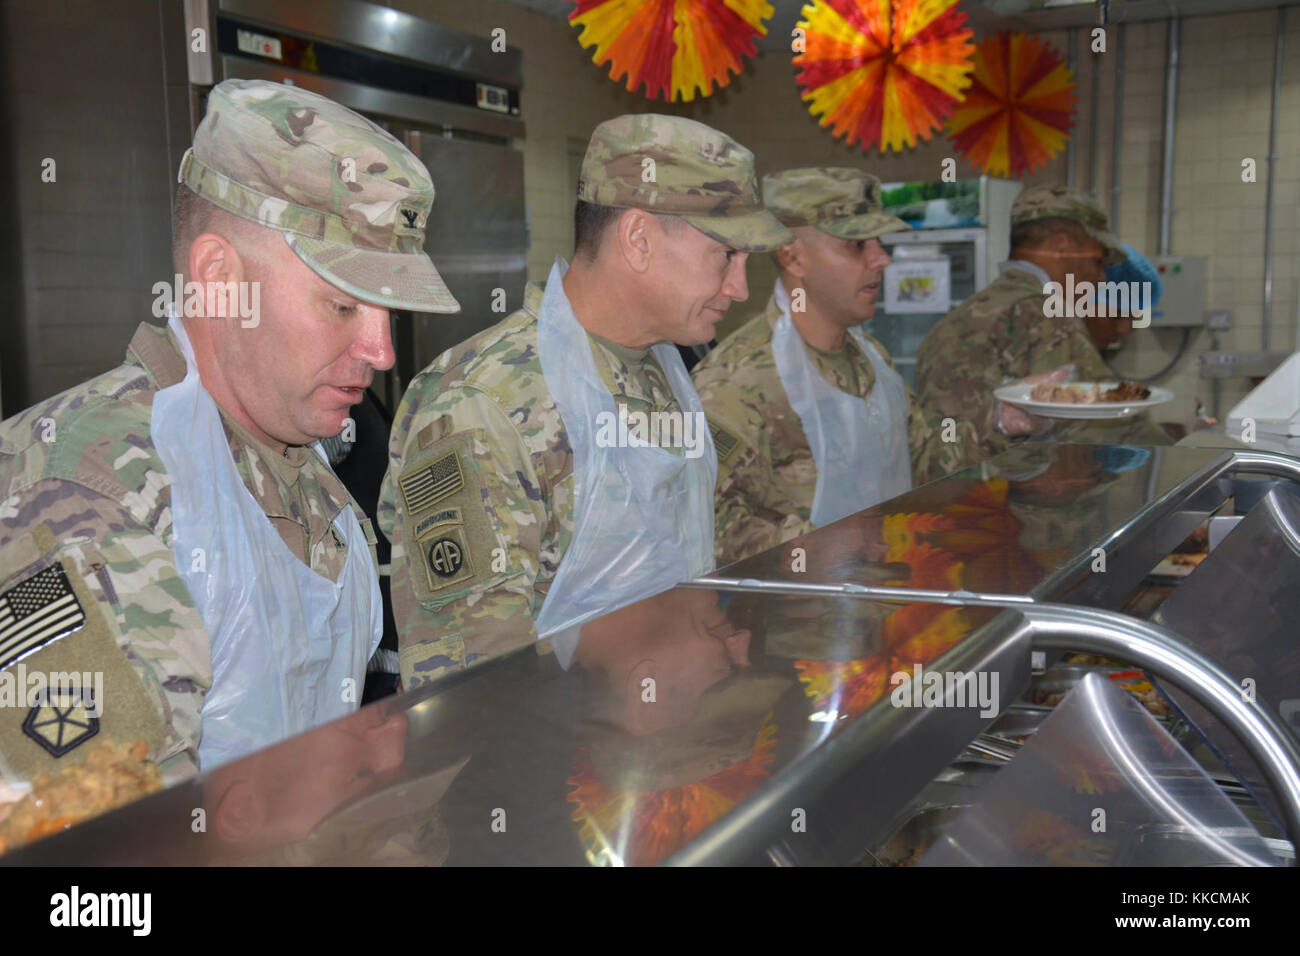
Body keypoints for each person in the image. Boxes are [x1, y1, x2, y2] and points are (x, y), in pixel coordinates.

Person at [0, 79, 459, 788]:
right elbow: (91, 852)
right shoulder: (86, 496)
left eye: (388, 312)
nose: (384, 351)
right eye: (342, 304)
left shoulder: (302, 463)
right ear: (218, 277)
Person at [378, 114, 792, 689]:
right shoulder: (482, 403)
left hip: (658, 744)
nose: (741, 289)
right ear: (639, 240)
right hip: (555, 763)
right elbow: (469, 683)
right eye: (726, 255)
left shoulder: (666, 374)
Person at [692, 167, 927, 566]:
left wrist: (1004, 422)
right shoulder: (738, 382)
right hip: (799, 622)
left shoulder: (873, 360)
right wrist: (814, 549)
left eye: (879, 241)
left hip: (889, 604)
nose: (881, 258)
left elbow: (925, 460)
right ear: (792, 255)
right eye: (856, 244)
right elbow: (700, 526)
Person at [913, 184, 1171, 483]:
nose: (1100, 280)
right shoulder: (1047, 313)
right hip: (1025, 516)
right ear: (1061, 247)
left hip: (951, 506)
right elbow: (1112, 421)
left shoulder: (956, 320)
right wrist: (1179, 475)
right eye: (1097, 263)